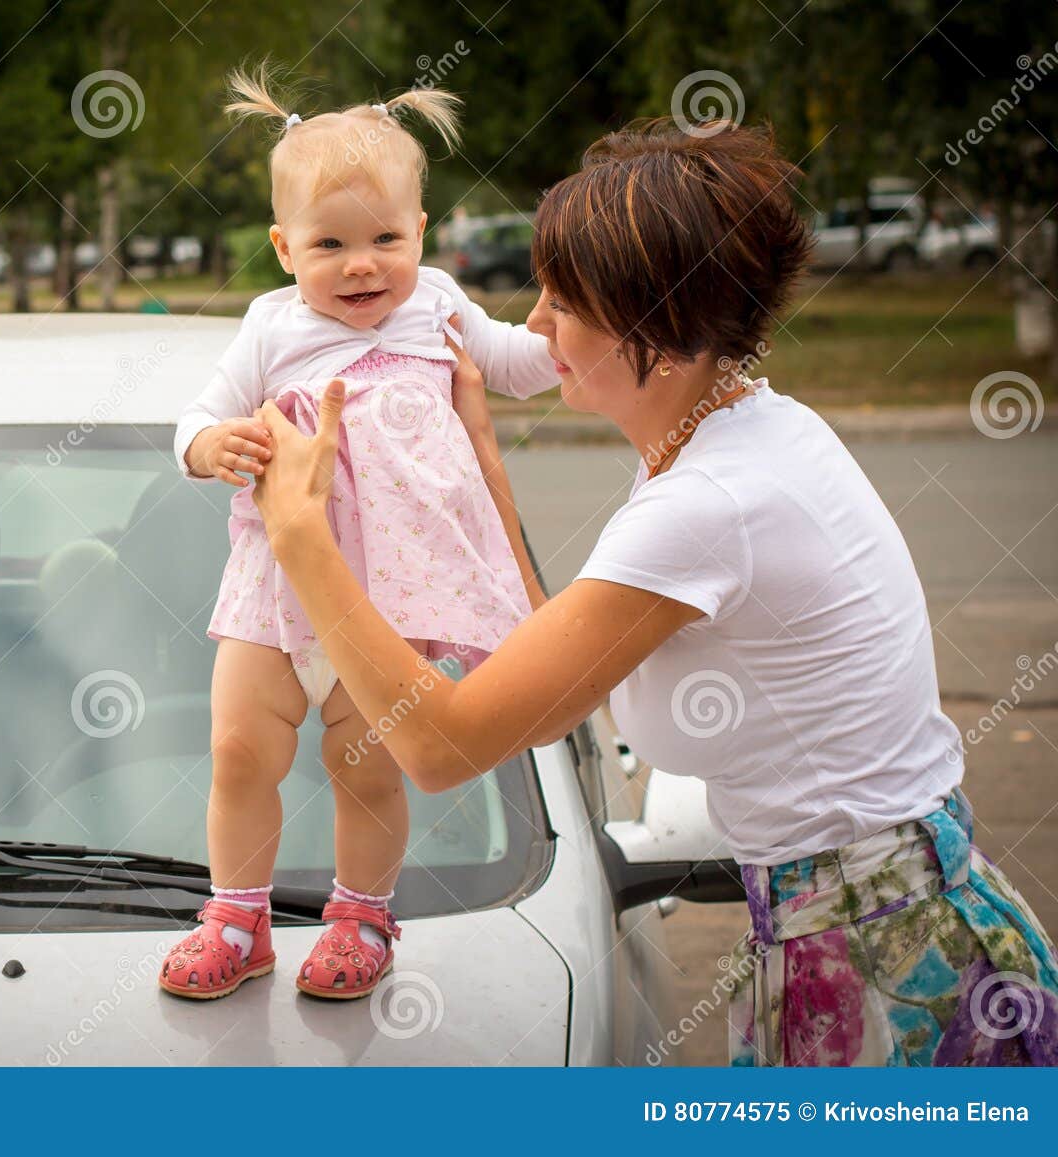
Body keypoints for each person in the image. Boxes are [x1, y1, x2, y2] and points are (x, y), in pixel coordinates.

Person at [247, 117, 1058, 1064]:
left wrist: (302, 538)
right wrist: (485, 465)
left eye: (563, 303)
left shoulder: (710, 502)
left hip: (884, 957)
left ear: (657, 335)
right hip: (867, 920)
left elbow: (435, 746)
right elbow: (554, 696)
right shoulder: (737, 435)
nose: (535, 326)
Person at [159, 68, 560, 1001]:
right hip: (271, 589)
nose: (362, 265)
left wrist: (570, 317)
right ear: (282, 247)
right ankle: (237, 916)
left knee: (365, 761)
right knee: (237, 751)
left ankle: (360, 914)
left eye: (386, 238)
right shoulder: (269, 326)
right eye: (329, 244)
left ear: (424, 232)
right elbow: (191, 422)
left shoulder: (443, 308)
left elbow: (526, 366)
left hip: (387, 601)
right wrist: (215, 443)